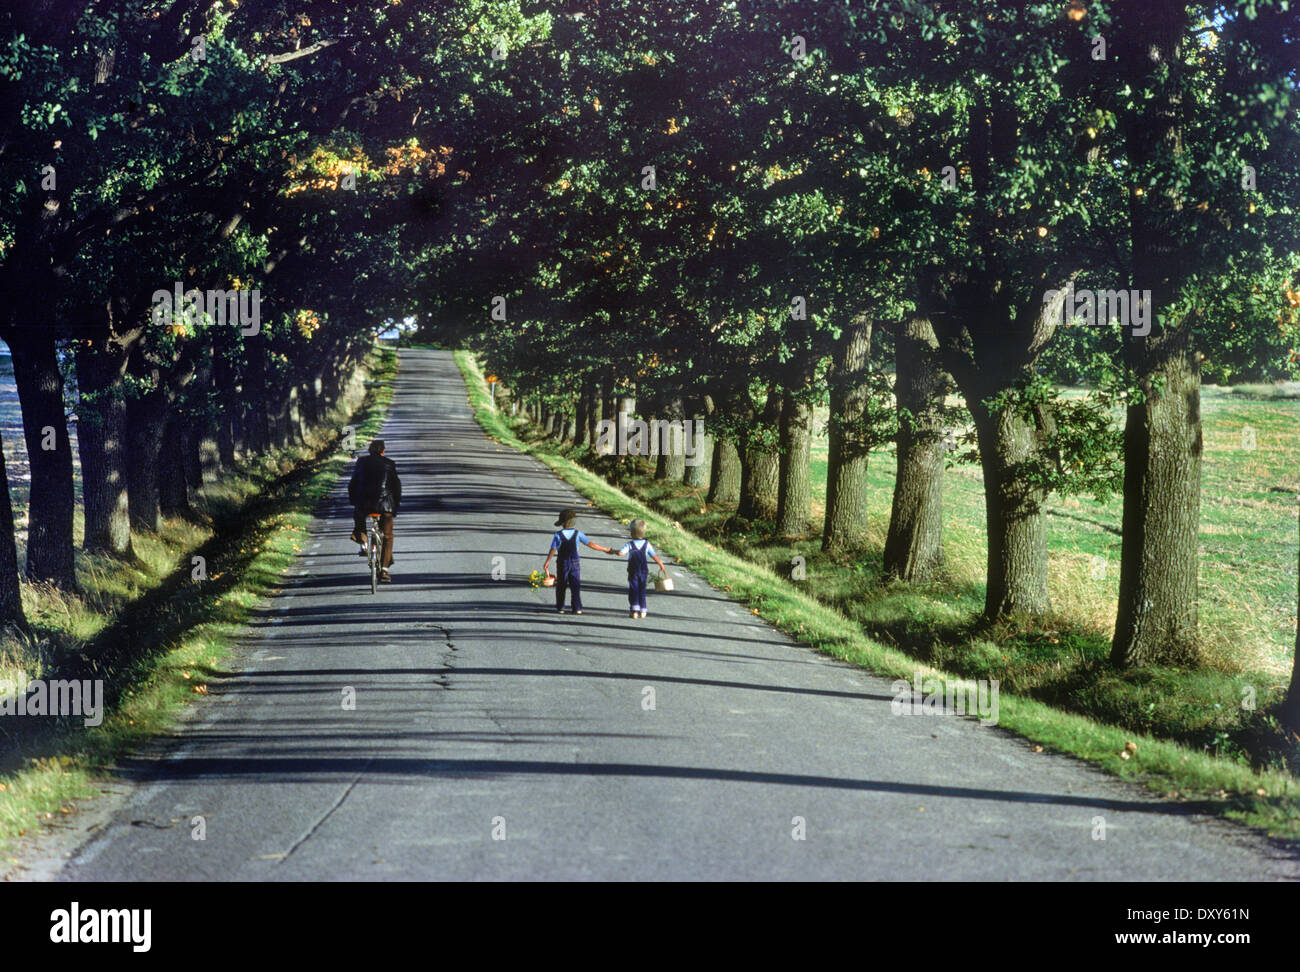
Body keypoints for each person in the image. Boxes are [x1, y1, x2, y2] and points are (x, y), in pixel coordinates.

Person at [349, 439, 401, 582]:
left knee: (359, 517)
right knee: (388, 536)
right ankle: (384, 570)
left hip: (364, 504)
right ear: (383, 451)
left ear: (369, 451)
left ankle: (363, 541)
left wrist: (354, 502)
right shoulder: (390, 464)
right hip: (385, 506)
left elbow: (352, 484)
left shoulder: (361, 462)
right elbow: (396, 487)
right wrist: (395, 505)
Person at [541, 508, 612, 614]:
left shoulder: (558, 535)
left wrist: (547, 562)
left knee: (561, 585)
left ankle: (560, 607)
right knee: (575, 585)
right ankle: (577, 608)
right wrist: (605, 549)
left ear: (562, 523)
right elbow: (590, 544)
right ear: (573, 522)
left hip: (562, 562)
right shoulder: (578, 533)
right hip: (575, 562)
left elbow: (553, 549)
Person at [611, 518, 667, 618]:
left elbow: (620, 553)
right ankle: (643, 610)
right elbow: (654, 556)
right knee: (642, 589)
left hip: (633, 571)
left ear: (631, 533)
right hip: (644, 571)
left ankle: (634, 610)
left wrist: (613, 551)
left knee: (633, 589)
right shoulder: (647, 544)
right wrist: (661, 564)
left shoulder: (630, 544)